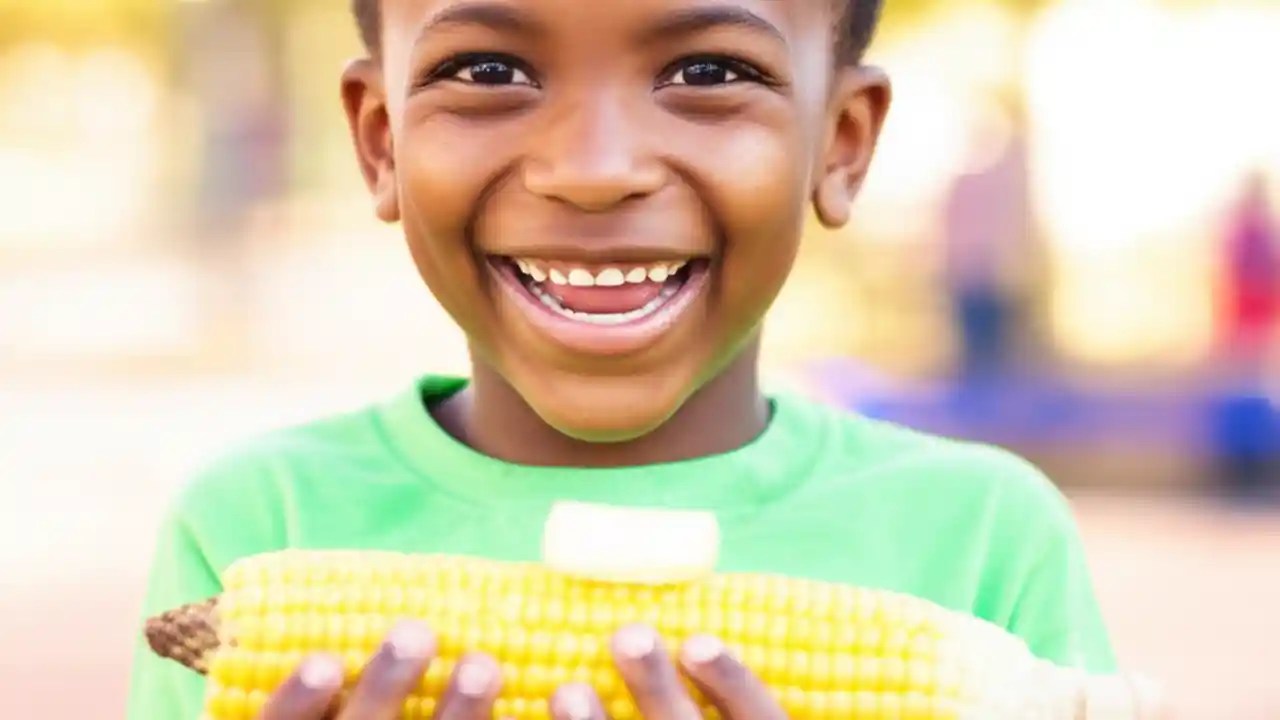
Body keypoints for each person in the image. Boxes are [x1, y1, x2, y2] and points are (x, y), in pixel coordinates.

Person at [127, 0, 1117, 718]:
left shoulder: (979, 540)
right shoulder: (257, 526)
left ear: (839, 142)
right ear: (380, 140)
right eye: (486, 71)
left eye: (705, 73)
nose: (594, 170)